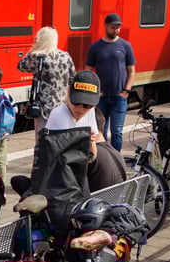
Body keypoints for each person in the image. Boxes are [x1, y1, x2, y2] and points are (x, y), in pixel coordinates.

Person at [85, 13, 136, 151]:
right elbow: (88, 71)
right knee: (100, 131)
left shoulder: (126, 46)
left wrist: (126, 91)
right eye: (113, 28)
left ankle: (116, 157)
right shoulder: (95, 47)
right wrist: (93, 91)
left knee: (117, 132)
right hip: (100, 97)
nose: (116, 30)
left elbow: (131, 70)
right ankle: (104, 156)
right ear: (106, 26)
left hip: (119, 97)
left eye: (118, 28)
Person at [17, 27, 75, 134]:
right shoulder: (65, 56)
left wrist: (34, 47)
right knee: (59, 137)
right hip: (62, 106)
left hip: (43, 108)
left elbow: (21, 66)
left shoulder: (37, 57)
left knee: (42, 138)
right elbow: (72, 78)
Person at [44, 71, 104, 161]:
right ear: (68, 93)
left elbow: (93, 156)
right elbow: (64, 159)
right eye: (76, 102)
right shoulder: (59, 114)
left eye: (87, 105)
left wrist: (91, 142)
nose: (80, 109)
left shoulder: (90, 112)